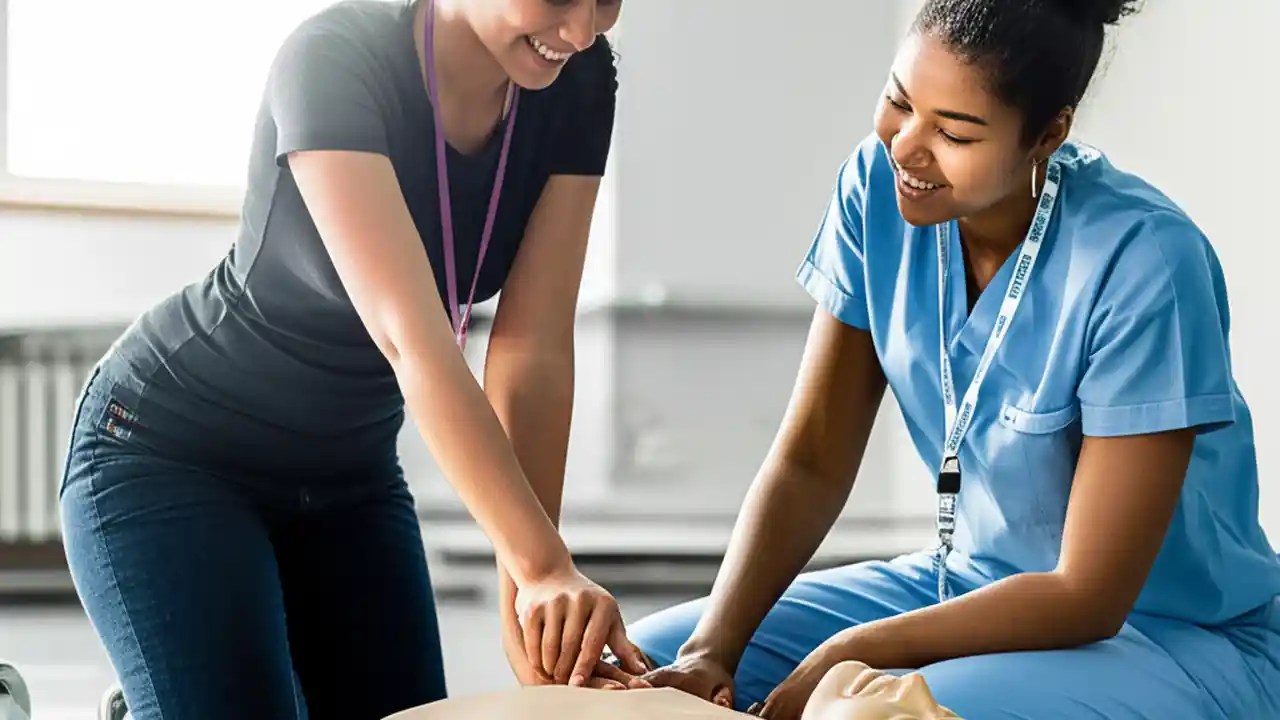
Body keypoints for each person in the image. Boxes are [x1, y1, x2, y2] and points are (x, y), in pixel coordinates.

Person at [628, 0, 1280, 718]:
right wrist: (710, 651)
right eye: (900, 102)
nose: (906, 147)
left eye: (954, 133)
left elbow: (1088, 595)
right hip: (960, 586)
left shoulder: (1144, 260)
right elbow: (811, 461)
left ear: (1048, 135)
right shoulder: (875, 187)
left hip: (1164, 636)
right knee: (636, 666)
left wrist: (853, 651)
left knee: (866, 710)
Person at [58, 1, 650, 718]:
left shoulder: (579, 82)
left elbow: (534, 350)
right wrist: (542, 565)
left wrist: (527, 591)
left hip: (347, 478)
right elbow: (410, 338)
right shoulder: (334, 60)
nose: (584, 30)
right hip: (172, 453)